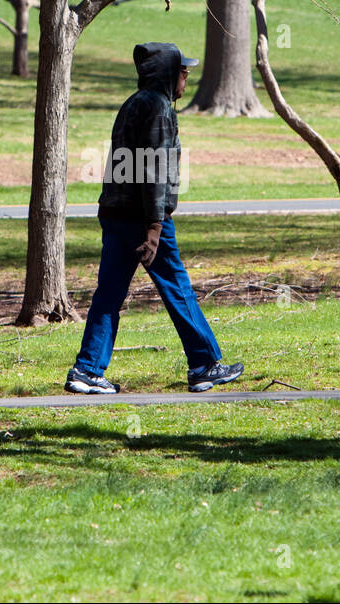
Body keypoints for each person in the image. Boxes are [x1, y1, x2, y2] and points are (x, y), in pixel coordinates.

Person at [65, 42, 244, 395]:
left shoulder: (133, 104)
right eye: (183, 71)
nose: (186, 78)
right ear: (167, 73)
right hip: (144, 219)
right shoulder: (160, 109)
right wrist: (155, 227)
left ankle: (86, 371)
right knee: (177, 287)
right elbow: (155, 171)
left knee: (109, 295)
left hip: (116, 213)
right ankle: (205, 365)